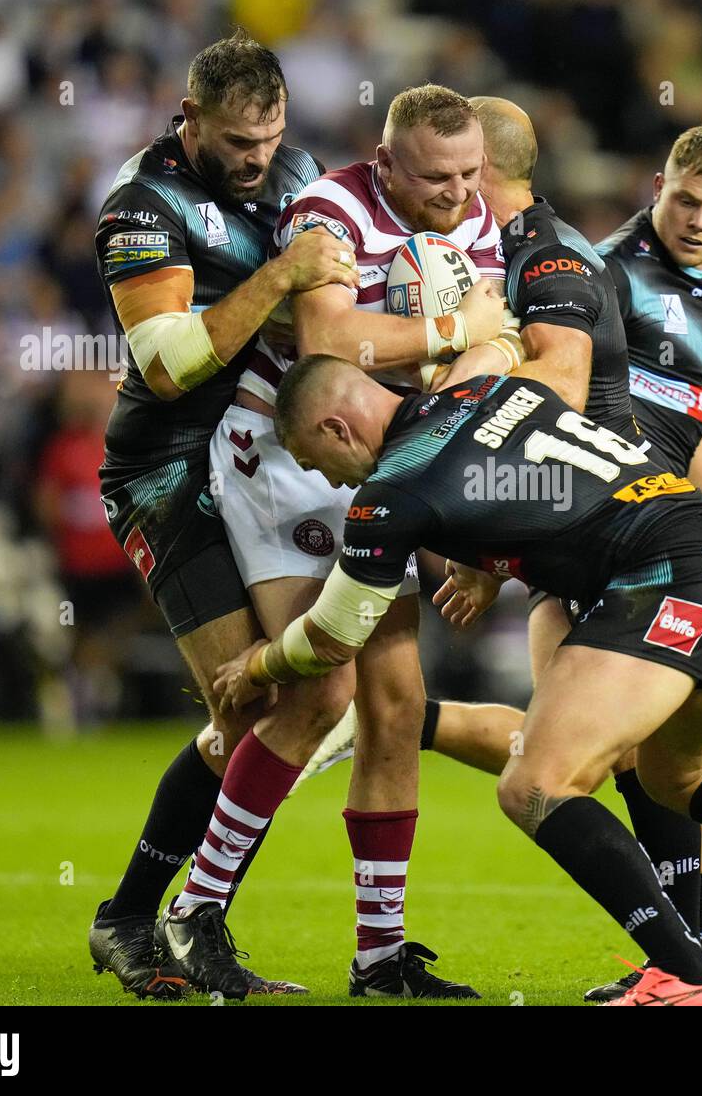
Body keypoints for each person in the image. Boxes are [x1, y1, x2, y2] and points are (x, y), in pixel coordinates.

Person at [214, 356, 702, 1007]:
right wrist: (481, 560)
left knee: (535, 785)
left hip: (666, 576)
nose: (334, 481)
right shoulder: (492, 386)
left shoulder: (388, 494)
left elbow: (337, 632)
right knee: (680, 771)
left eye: (319, 459)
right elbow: (516, 476)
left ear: (337, 426)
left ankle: (686, 975)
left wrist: (260, 663)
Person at [416, 119, 702, 997]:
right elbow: (549, 401)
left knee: (679, 739)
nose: (697, 221)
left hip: (670, 537)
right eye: (685, 200)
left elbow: (698, 409)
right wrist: (492, 554)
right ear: (657, 186)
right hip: (592, 534)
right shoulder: (599, 270)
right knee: (595, 755)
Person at [168, 84, 508, 999]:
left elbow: (494, 346)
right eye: (436, 176)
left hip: (382, 456)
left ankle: (380, 957)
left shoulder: (478, 218)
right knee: (321, 695)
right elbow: (329, 347)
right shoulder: (331, 209)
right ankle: (193, 912)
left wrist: (467, 352)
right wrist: (451, 332)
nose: (458, 192)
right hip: (288, 453)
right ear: (386, 161)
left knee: (397, 703)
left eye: (470, 172)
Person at [87, 29, 356, 998]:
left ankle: (164, 919)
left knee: (310, 697)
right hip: (165, 471)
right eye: (238, 143)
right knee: (254, 705)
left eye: (270, 138)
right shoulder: (142, 205)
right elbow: (164, 363)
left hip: (266, 462)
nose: (258, 160)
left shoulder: (299, 170)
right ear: (189, 118)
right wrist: (280, 277)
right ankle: (148, 919)